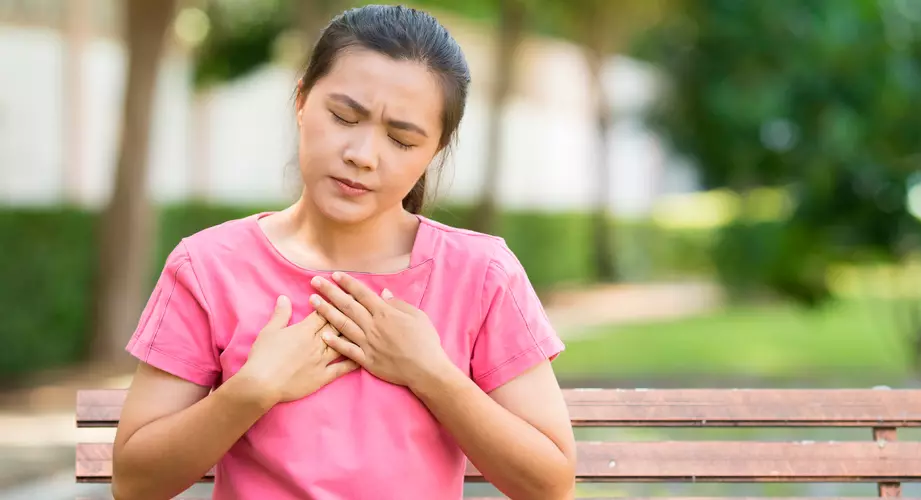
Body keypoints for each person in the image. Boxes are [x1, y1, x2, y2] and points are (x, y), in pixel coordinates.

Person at [110, 5, 576, 500]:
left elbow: (550, 486)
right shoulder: (208, 267)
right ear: (301, 101)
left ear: (433, 153)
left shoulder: (481, 274)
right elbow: (135, 483)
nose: (363, 154)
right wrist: (253, 389)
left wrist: (434, 375)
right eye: (343, 116)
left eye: (400, 139)